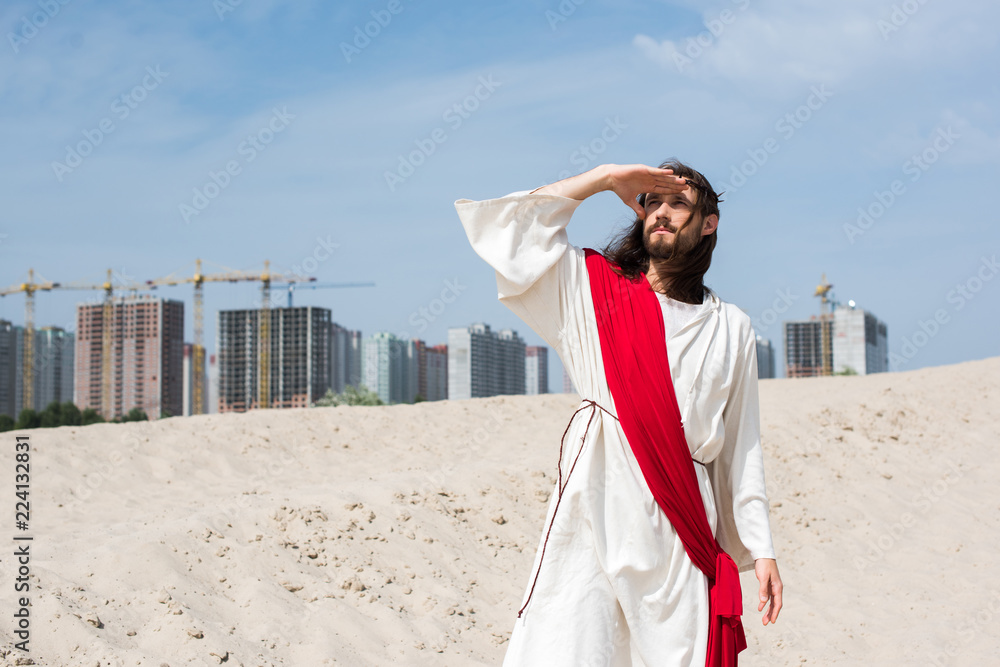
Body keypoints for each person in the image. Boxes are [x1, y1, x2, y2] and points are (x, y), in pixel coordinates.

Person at [454, 161, 782, 666]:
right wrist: (604, 177)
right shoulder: (592, 291)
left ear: (709, 222)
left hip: (681, 526)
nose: (662, 214)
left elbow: (741, 446)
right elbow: (511, 229)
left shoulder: (731, 327)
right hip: (594, 513)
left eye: (678, 203)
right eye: (652, 201)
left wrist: (761, 548)